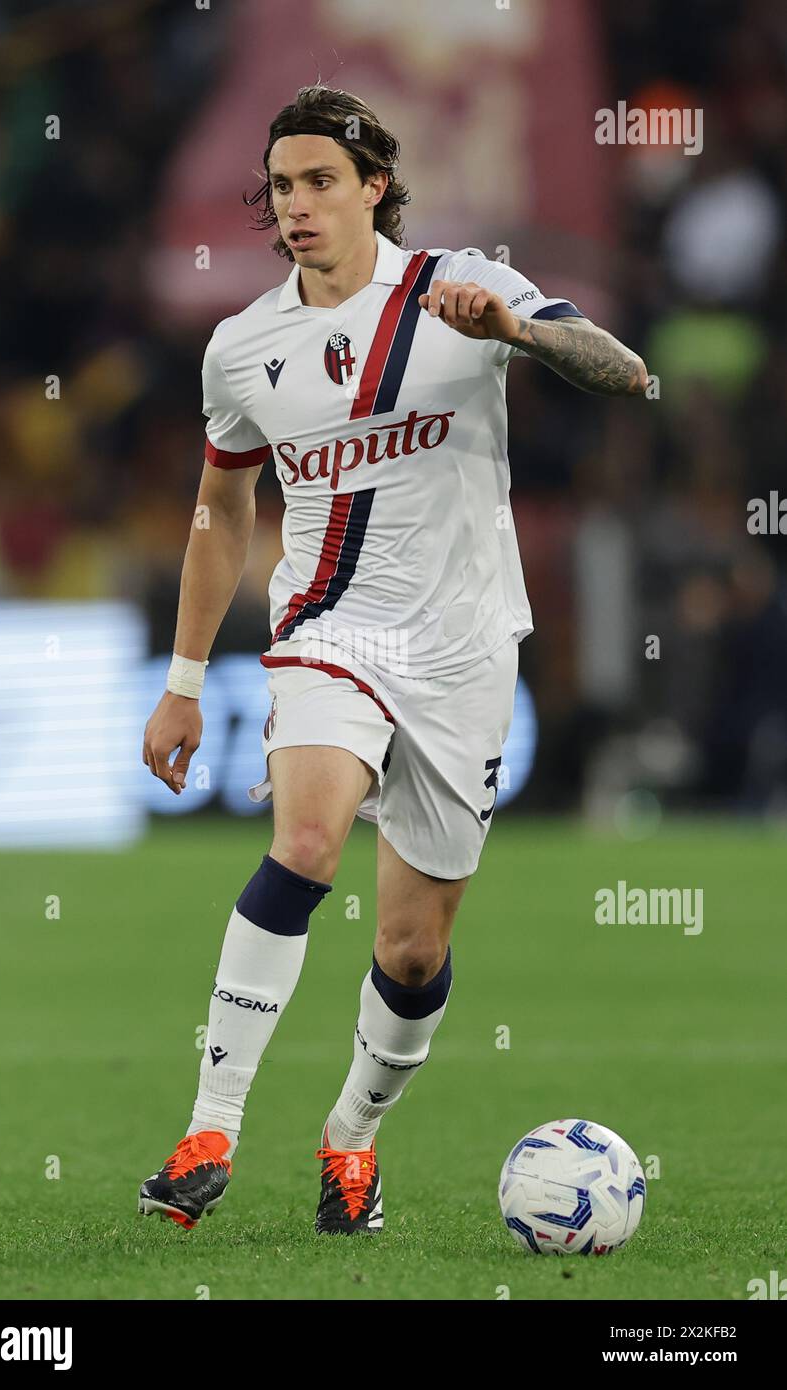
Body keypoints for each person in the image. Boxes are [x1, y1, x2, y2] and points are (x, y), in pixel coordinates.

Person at [139, 84, 647, 1235]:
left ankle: (350, 1141)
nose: (297, 205)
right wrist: (182, 681)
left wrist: (515, 333)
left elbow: (623, 370)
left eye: (321, 180)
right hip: (327, 633)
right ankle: (207, 1129)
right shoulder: (243, 346)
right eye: (279, 187)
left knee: (412, 951)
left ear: (375, 186)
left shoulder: (460, 286)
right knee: (306, 839)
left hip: (465, 649)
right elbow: (221, 508)